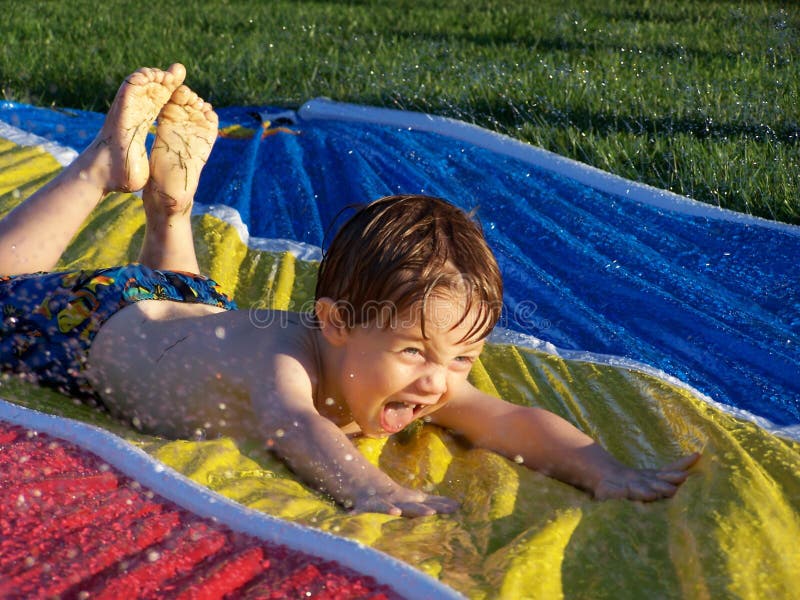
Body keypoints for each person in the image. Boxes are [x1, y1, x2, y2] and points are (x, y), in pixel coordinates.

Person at [0, 64, 700, 517]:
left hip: (187, 309)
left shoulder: (416, 376)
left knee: (198, 302)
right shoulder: (286, 369)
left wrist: (602, 469)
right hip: (92, 324)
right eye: (416, 351)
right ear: (334, 322)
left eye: (460, 358)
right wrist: (376, 489)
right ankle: (98, 168)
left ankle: (171, 211)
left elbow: (510, 420)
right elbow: (298, 429)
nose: (437, 382)